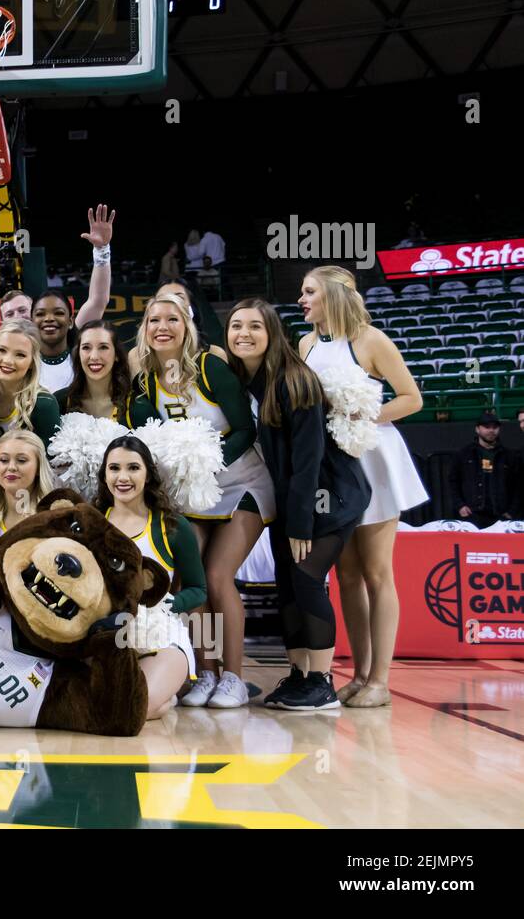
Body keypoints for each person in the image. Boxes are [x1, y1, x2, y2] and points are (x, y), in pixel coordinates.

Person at [127, 293, 276, 709]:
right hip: (190, 495)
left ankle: (233, 676)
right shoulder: (145, 381)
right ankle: (205, 672)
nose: (162, 327)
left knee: (217, 576)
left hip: (240, 482)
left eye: (171, 319)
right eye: (154, 319)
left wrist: (207, 466)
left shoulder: (211, 368)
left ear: (186, 326)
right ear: (145, 329)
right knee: (188, 579)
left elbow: (246, 430)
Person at [228, 300, 372, 711]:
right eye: (236, 326)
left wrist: (301, 525)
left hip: (330, 496)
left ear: (273, 332)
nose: (244, 333)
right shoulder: (250, 382)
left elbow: (309, 463)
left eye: (255, 326)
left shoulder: (296, 381)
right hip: (290, 499)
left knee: (308, 578)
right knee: (287, 584)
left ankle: (322, 682)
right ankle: (298, 674)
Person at [300, 265, 427, 708]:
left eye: (309, 291)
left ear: (332, 295)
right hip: (332, 467)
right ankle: (358, 674)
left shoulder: (370, 340)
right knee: (346, 574)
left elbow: (412, 398)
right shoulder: (307, 343)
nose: (302, 300)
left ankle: (381, 680)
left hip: (371, 458)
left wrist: (361, 414)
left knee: (377, 571)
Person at [94, 436, 206, 718]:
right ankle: (163, 701)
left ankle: (161, 695)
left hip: (160, 638)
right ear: (104, 474)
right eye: (114, 468)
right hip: (107, 638)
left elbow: (198, 589)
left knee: (133, 708)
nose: (123, 477)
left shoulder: (172, 525)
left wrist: (164, 606)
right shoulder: (90, 522)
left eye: (133, 468)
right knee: (97, 707)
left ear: (148, 474)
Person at [0, 429, 56, 570]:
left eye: (21, 460)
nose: (11, 467)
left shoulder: (55, 515)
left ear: (38, 468)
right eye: (4, 460)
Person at [0, 321, 61, 447]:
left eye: (20, 355)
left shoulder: (44, 404)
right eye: (2, 350)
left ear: (32, 362)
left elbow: (48, 461)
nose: (8, 360)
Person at [447, 412, 517, 529]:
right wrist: (460, 505)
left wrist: (511, 511)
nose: (491, 431)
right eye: (487, 427)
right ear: (477, 429)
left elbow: (517, 485)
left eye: (495, 427)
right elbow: (453, 481)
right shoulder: (464, 454)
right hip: (472, 515)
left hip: (501, 516)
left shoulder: (509, 456)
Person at [57, 321, 132, 421]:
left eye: (103, 347)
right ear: (78, 354)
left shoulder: (137, 405)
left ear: (116, 355)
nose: (94, 356)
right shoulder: (59, 401)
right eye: (86, 347)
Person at [32, 292, 75, 393]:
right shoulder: (24, 365)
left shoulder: (82, 363)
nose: (49, 319)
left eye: (58, 313)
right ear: (31, 322)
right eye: (40, 314)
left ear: (70, 322)